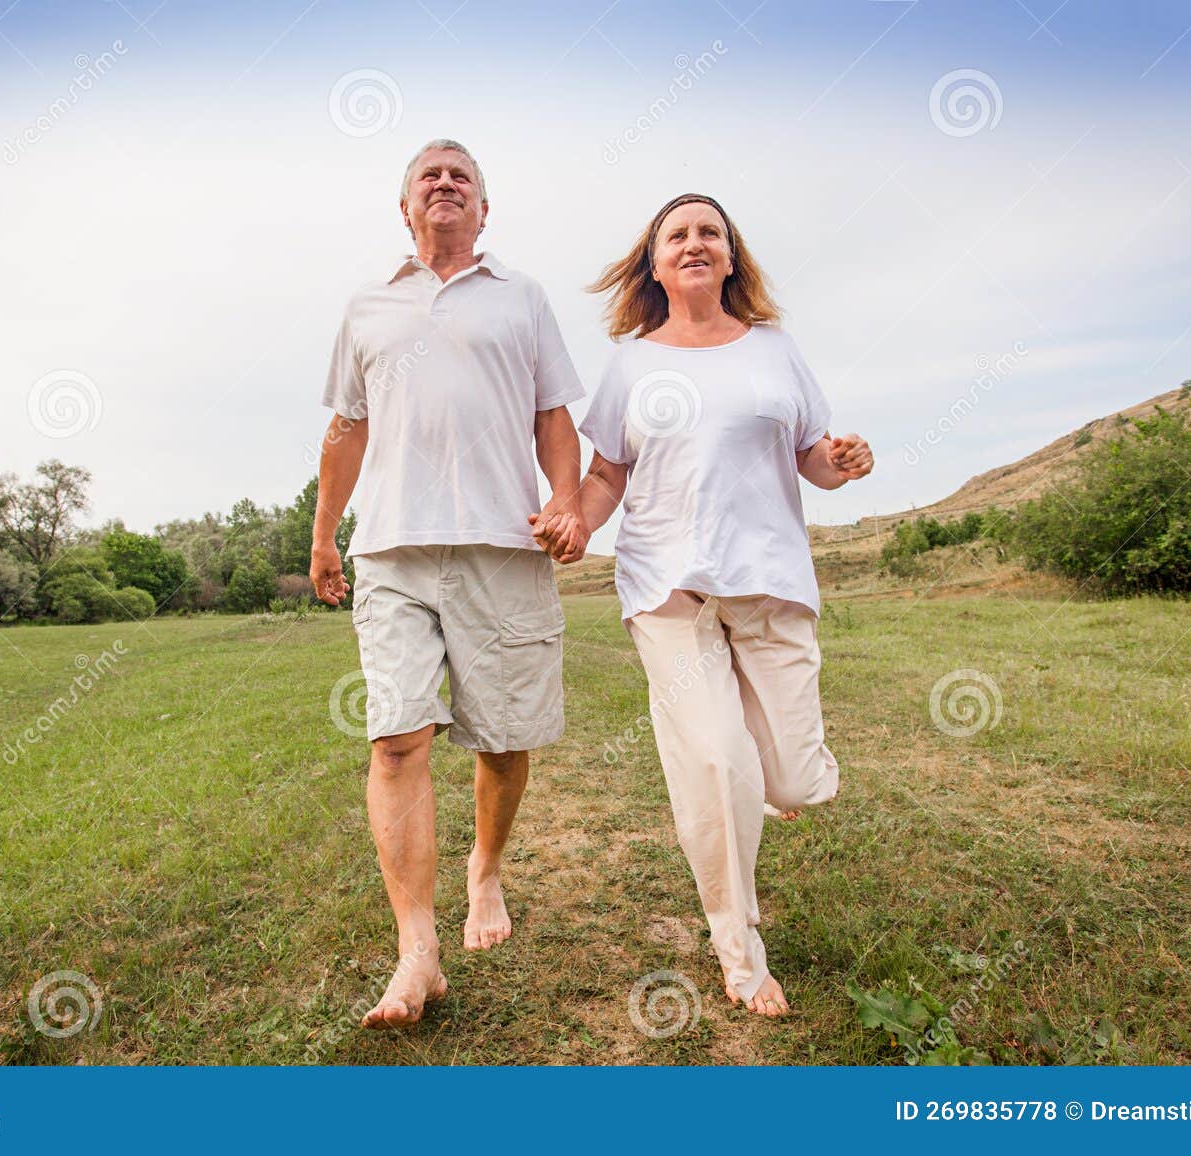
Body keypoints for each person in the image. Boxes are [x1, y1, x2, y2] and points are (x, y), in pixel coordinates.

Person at [536, 192, 873, 1018]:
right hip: (667, 585)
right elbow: (609, 469)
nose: (695, 243)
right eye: (677, 235)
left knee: (792, 781)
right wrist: (576, 511)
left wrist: (844, 460)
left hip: (769, 581)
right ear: (655, 264)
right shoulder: (631, 364)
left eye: (709, 233)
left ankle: (772, 786)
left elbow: (812, 460)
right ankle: (739, 949)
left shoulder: (775, 351)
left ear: (730, 257)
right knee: (717, 760)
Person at [310, 139, 586, 1029]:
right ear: (404, 207)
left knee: (504, 742)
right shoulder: (366, 306)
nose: (444, 183)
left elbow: (555, 418)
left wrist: (567, 499)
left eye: (460, 175)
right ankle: (416, 951)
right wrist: (324, 537)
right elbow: (345, 430)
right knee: (396, 740)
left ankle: (487, 871)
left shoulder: (524, 298)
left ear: (483, 207)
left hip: (501, 545)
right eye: (428, 175)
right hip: (391, 549)